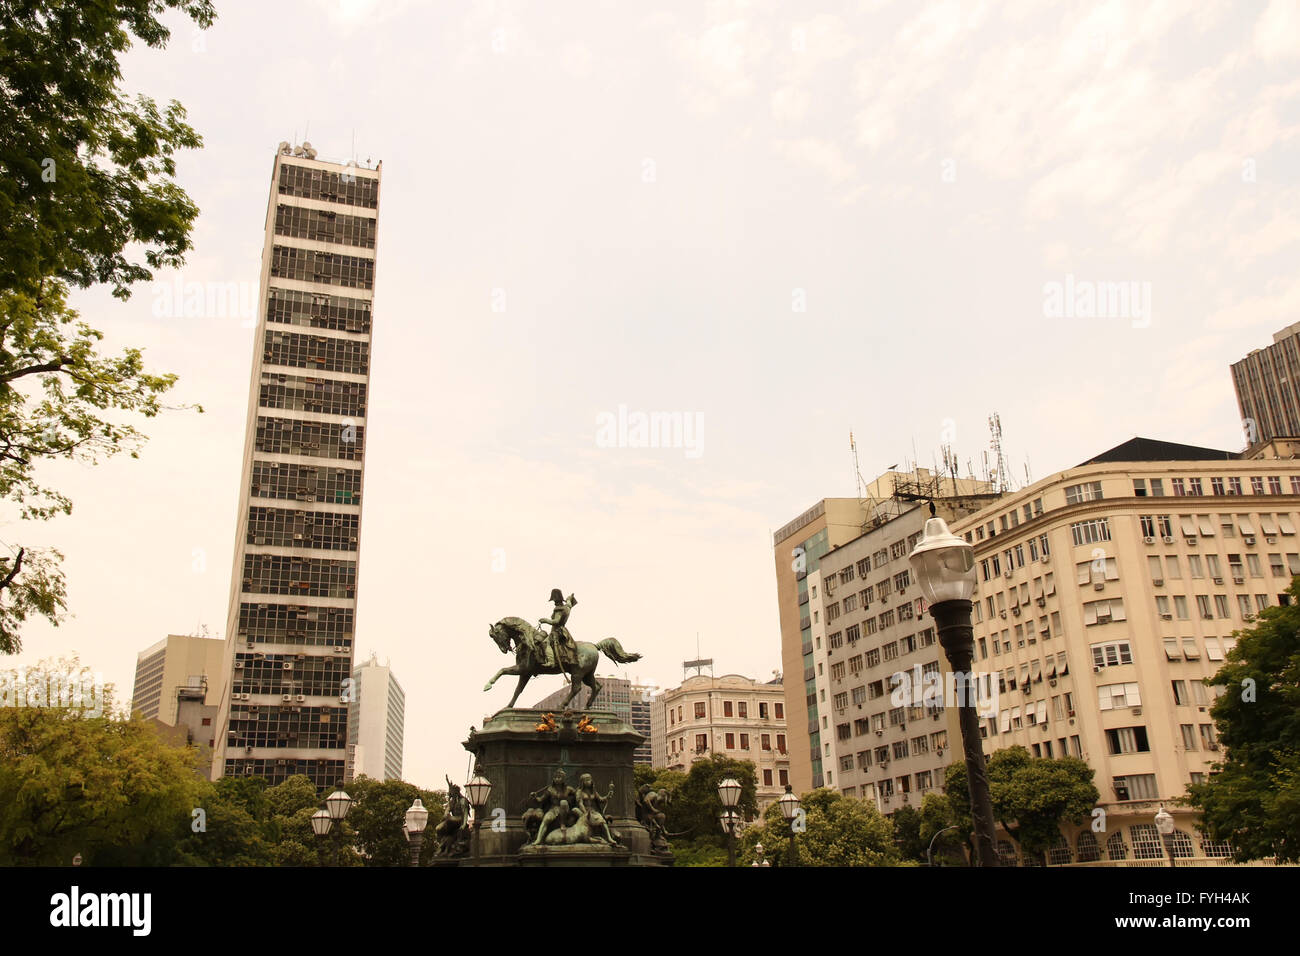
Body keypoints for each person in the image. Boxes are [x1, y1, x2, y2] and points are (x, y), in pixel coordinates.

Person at [539, 589, 578, 672]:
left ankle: (551, 661)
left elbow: (556, 621)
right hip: (561, 630)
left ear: (557, 600)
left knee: (545, 643)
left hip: (557, 631)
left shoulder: (559, 609)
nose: (554, 602)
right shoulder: (566, 607)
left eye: (554, 600)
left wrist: (545, 620)